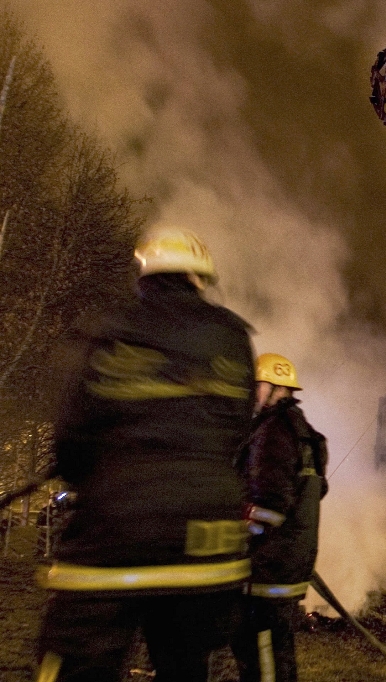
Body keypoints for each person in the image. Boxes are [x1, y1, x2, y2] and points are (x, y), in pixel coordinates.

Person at [37, 228, 255, 682]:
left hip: (113, 542)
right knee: (185, 666)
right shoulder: (233, 337)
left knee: (77, 665)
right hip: (206, 551)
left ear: (145, 275)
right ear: (200, 278)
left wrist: (94, 483)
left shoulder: (108, 329)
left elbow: (71, 439)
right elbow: (236, 432)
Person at [232, 353, 328, 682]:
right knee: (278, 647)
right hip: (292, 563)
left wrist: (238, 536)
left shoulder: (272, 432)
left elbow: (269, 505)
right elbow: (315, 491)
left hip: (267, 566)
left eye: (257, 386)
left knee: (260, 650)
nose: (253, 394)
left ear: (275, 388)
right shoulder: (309, 436)